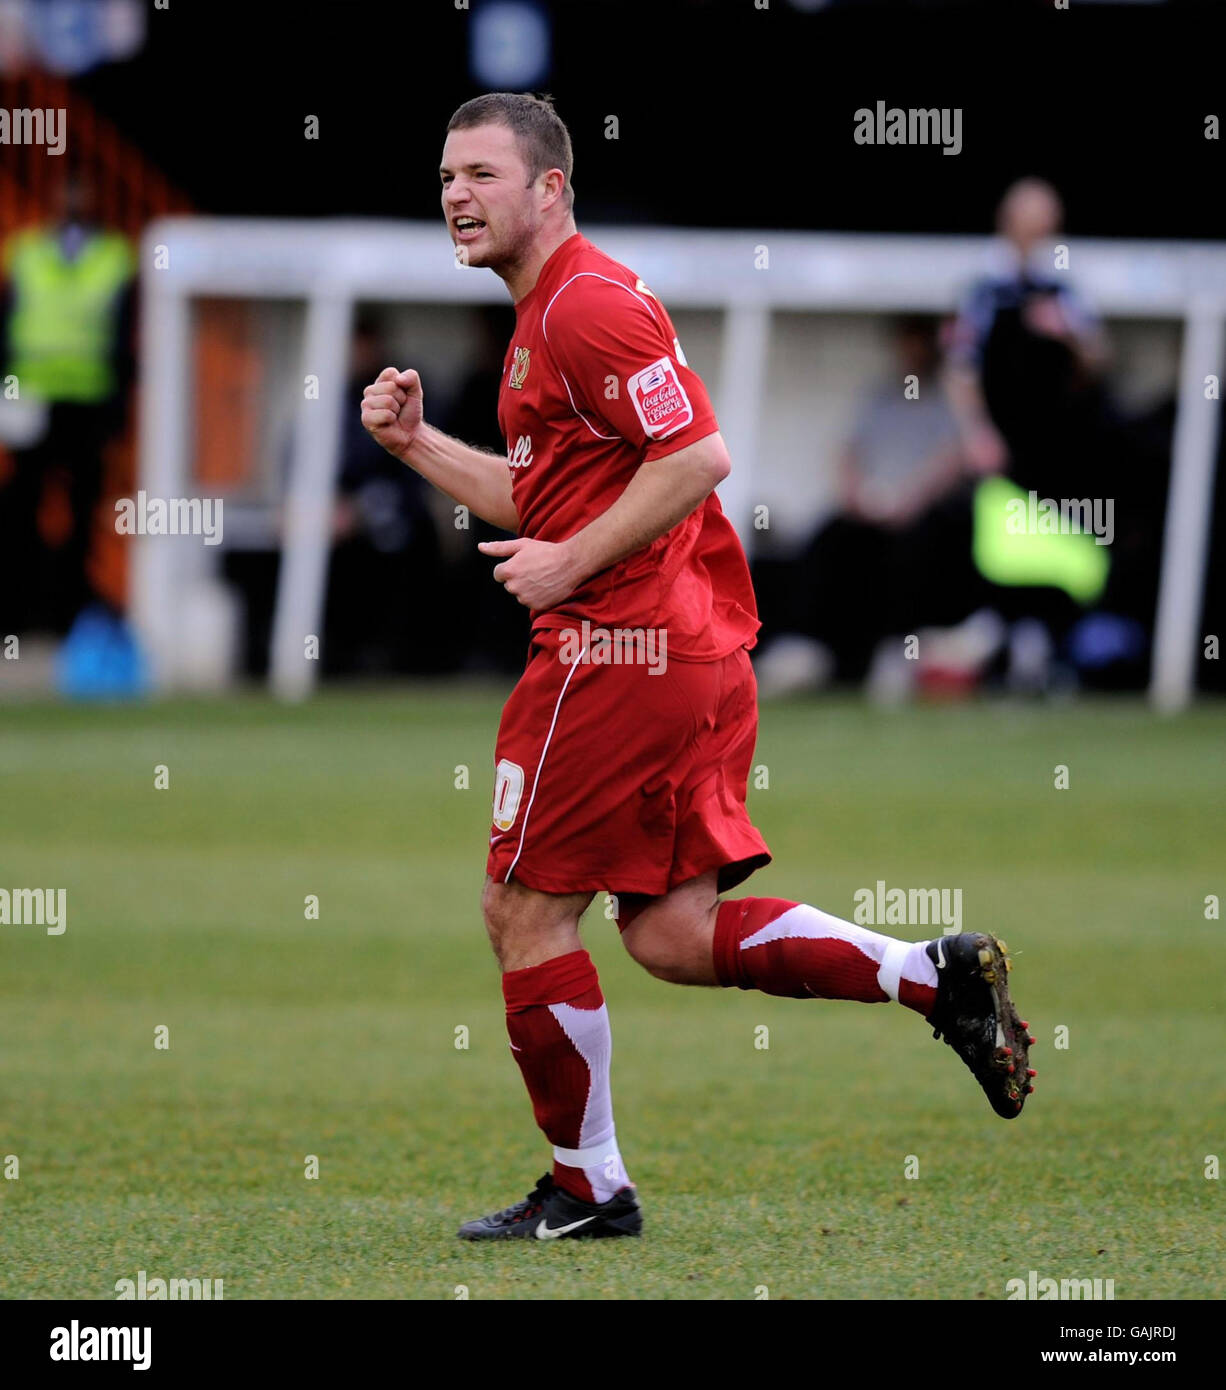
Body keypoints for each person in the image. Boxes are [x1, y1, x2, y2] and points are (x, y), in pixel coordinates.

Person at [361, 93, 1035, 1242]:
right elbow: (546, 497)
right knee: (668, 935)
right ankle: (928, 976)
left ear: (551, 188)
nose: (457, 196)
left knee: (522, 910)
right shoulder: (545, 321)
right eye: (444, 178)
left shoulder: (583, 309)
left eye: (480, 173)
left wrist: (571, 563)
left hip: (617, 651)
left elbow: (698, 457)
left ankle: (588, 1186)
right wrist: (418, 446)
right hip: (688, 647)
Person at [0, 173, 136, 634]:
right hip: (31, 397)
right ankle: (18, 614)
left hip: (88, 401)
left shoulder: (115, 255)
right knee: (20, 511)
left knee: (82, 516)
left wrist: (119, 406)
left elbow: (124, 336)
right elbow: (6, 325)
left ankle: (67, 620)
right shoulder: (25, 252)